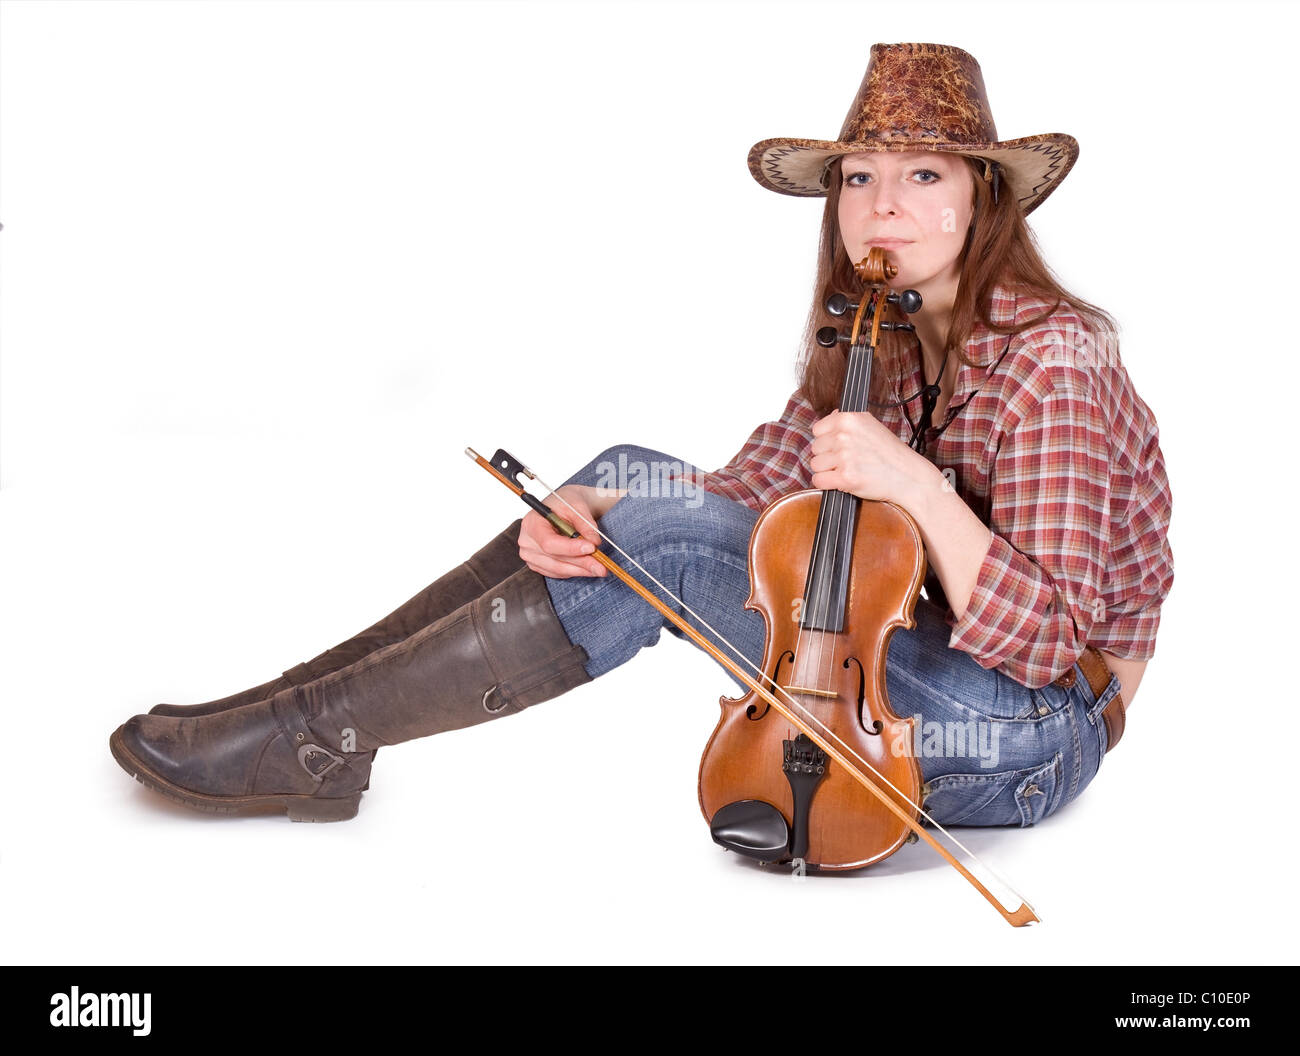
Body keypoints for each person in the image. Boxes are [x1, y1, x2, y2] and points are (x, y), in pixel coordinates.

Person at [110, 42, 1173, 835]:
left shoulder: (1054, 367)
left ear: (983, 197)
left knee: (665, 538)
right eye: (858, 177)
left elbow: (1044, 646)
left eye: (922, 175)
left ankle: (314, 738)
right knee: (625, 478)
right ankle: (291, 711)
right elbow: (760, 479)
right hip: (926, 680)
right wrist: (605, 509)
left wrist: (920, 491)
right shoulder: (877, 330)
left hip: (1031, 732)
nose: (879, 207)